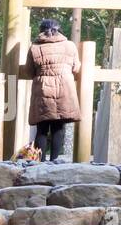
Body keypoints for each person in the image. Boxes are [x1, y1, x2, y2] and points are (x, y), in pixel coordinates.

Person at [21, 18, 82, 161]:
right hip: (64, 89)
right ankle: (54, 160)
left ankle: (40, 162)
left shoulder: (35, 47)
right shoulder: (70, 46)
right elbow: (76, 68)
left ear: (41, 30)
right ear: (59, 30)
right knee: (58, 127)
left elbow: (29, 71)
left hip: (43, 89)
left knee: (41, 128)